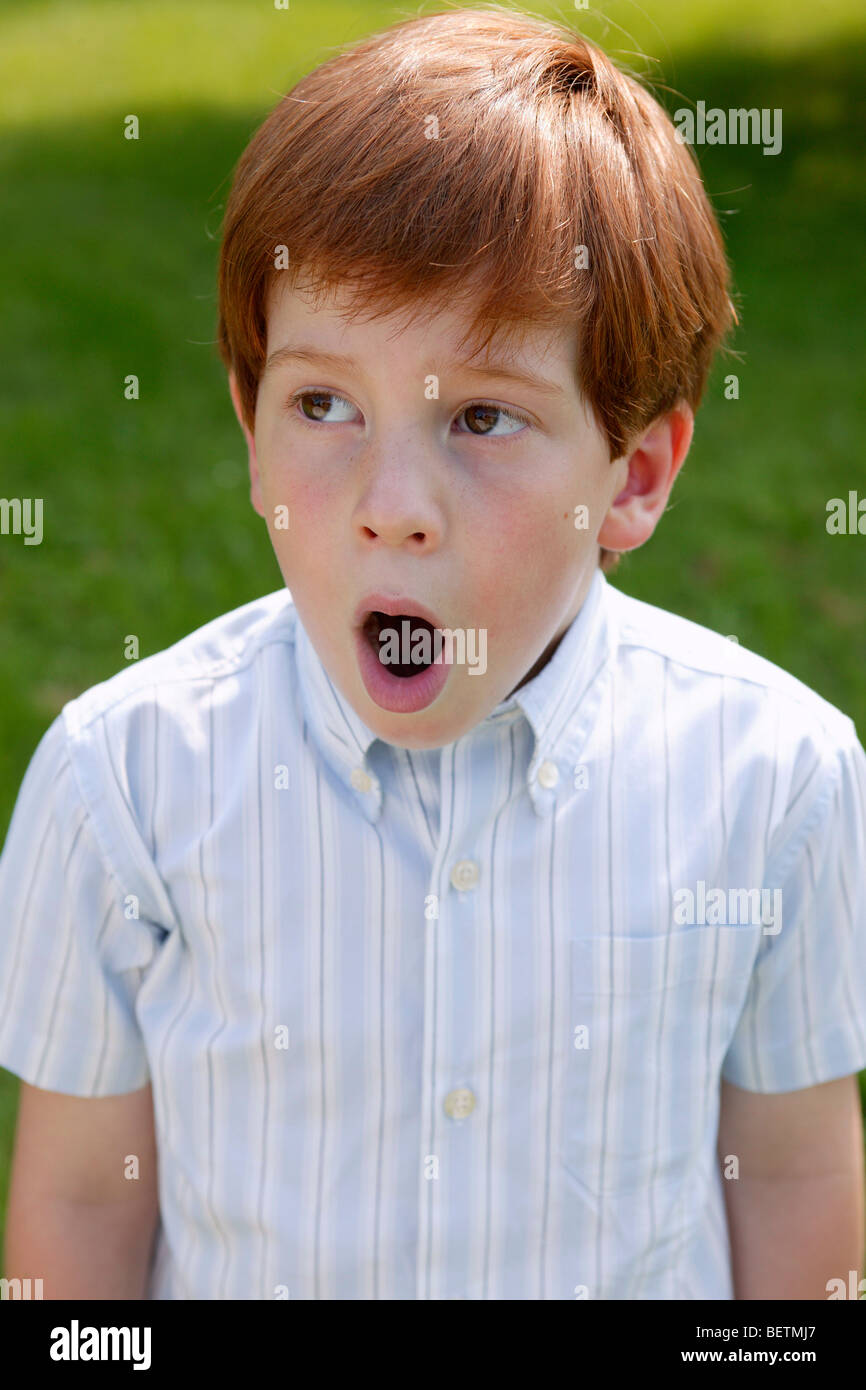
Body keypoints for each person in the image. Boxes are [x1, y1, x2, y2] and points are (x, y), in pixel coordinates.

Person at [2, 6, 864, 1300]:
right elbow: (78, 1206)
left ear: (631, 475)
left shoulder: (773, 777)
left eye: (479, 415)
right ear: (249, 428)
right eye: (323, 403)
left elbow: (791, 1173)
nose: (389, 500)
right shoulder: (125, 781)